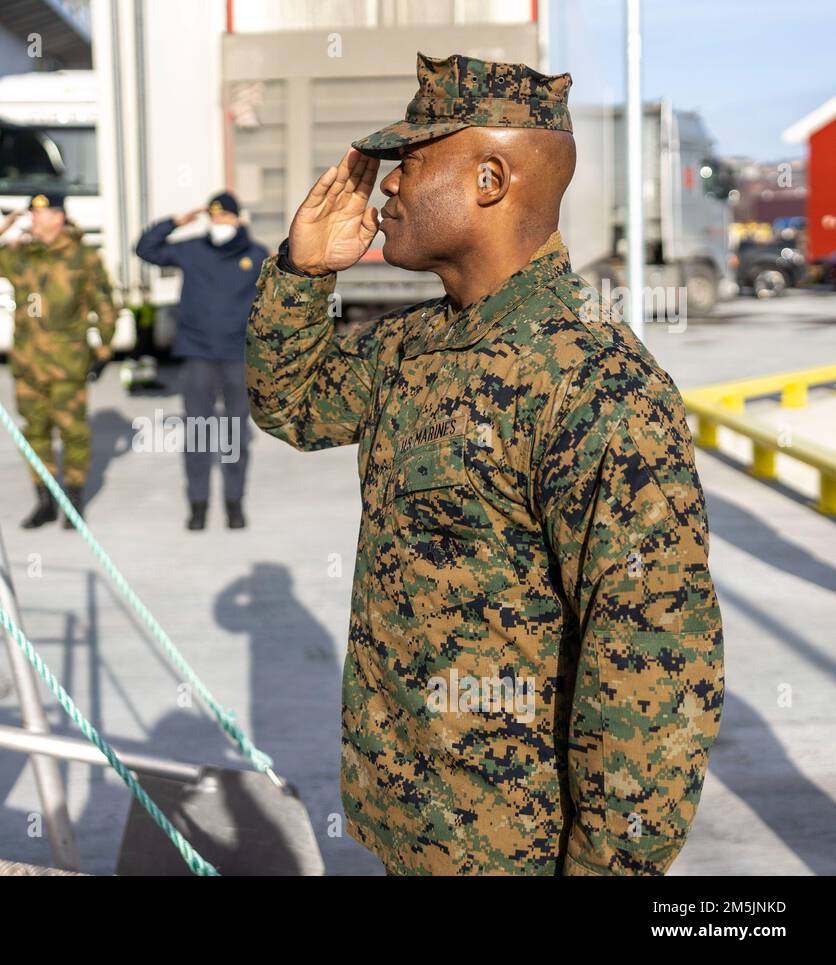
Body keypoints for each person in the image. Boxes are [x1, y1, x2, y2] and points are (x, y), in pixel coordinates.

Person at [246, 53, 725, 875]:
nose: (387, 186)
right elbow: (292, 404)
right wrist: (303, 275)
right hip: (409, 822)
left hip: (515, 849)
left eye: (412, 162)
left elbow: (655, 660)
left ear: (491, 179)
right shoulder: (418, 342)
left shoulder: (596, 385)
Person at [0, 191, 116, 529]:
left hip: (67, 363)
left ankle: (73, 500)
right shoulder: (20, 256)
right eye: (31, 213)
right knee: (35, 433)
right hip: (28, 363)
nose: (33, 218)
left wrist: (104, 350)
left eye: (40, 213)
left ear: (58, 217)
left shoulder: (83, 257)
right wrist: (1, 229)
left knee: (73, 432)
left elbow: (105, 303)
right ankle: (45, 501)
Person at [136, 192, 268, 530]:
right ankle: (197, 506)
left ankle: (234, 505)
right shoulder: (193, 249)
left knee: (234, 436)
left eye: (224, 218)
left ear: (239, 219)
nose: (218, 224)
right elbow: (145, 249)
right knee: (198, 435)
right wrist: (175, 223)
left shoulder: (256, 256)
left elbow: (270, 308)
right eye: (213, 218)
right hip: (198, 356)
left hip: (238, 357)